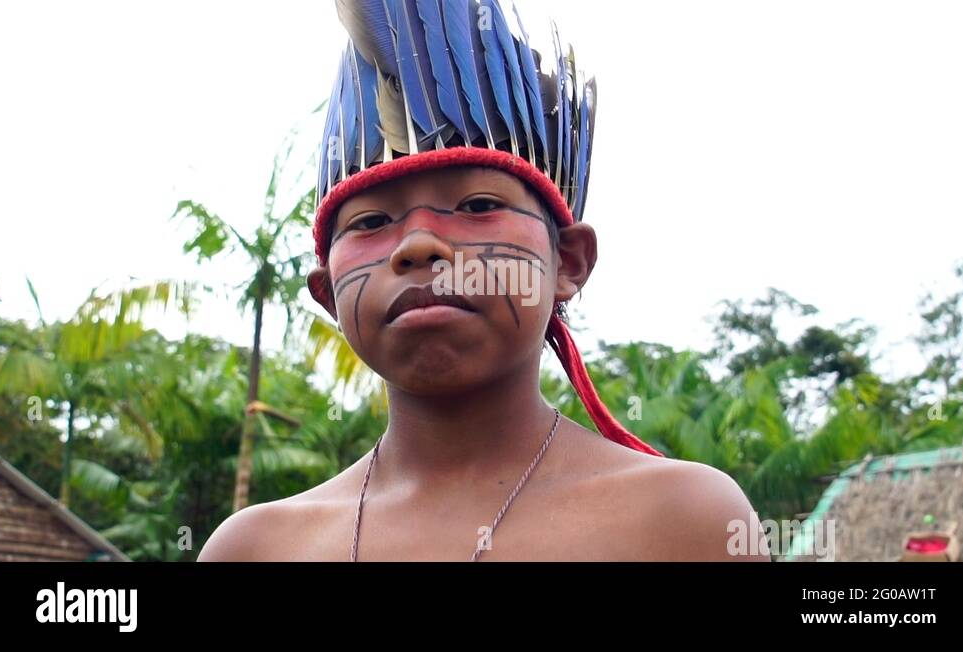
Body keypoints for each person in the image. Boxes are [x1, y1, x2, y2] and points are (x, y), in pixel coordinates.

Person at [199, 0, 769, 562]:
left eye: (476, 204)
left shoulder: (683, 519)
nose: (419, 244)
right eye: (371, 222)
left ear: (568, 261)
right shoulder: (254, 549)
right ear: (327, 292)